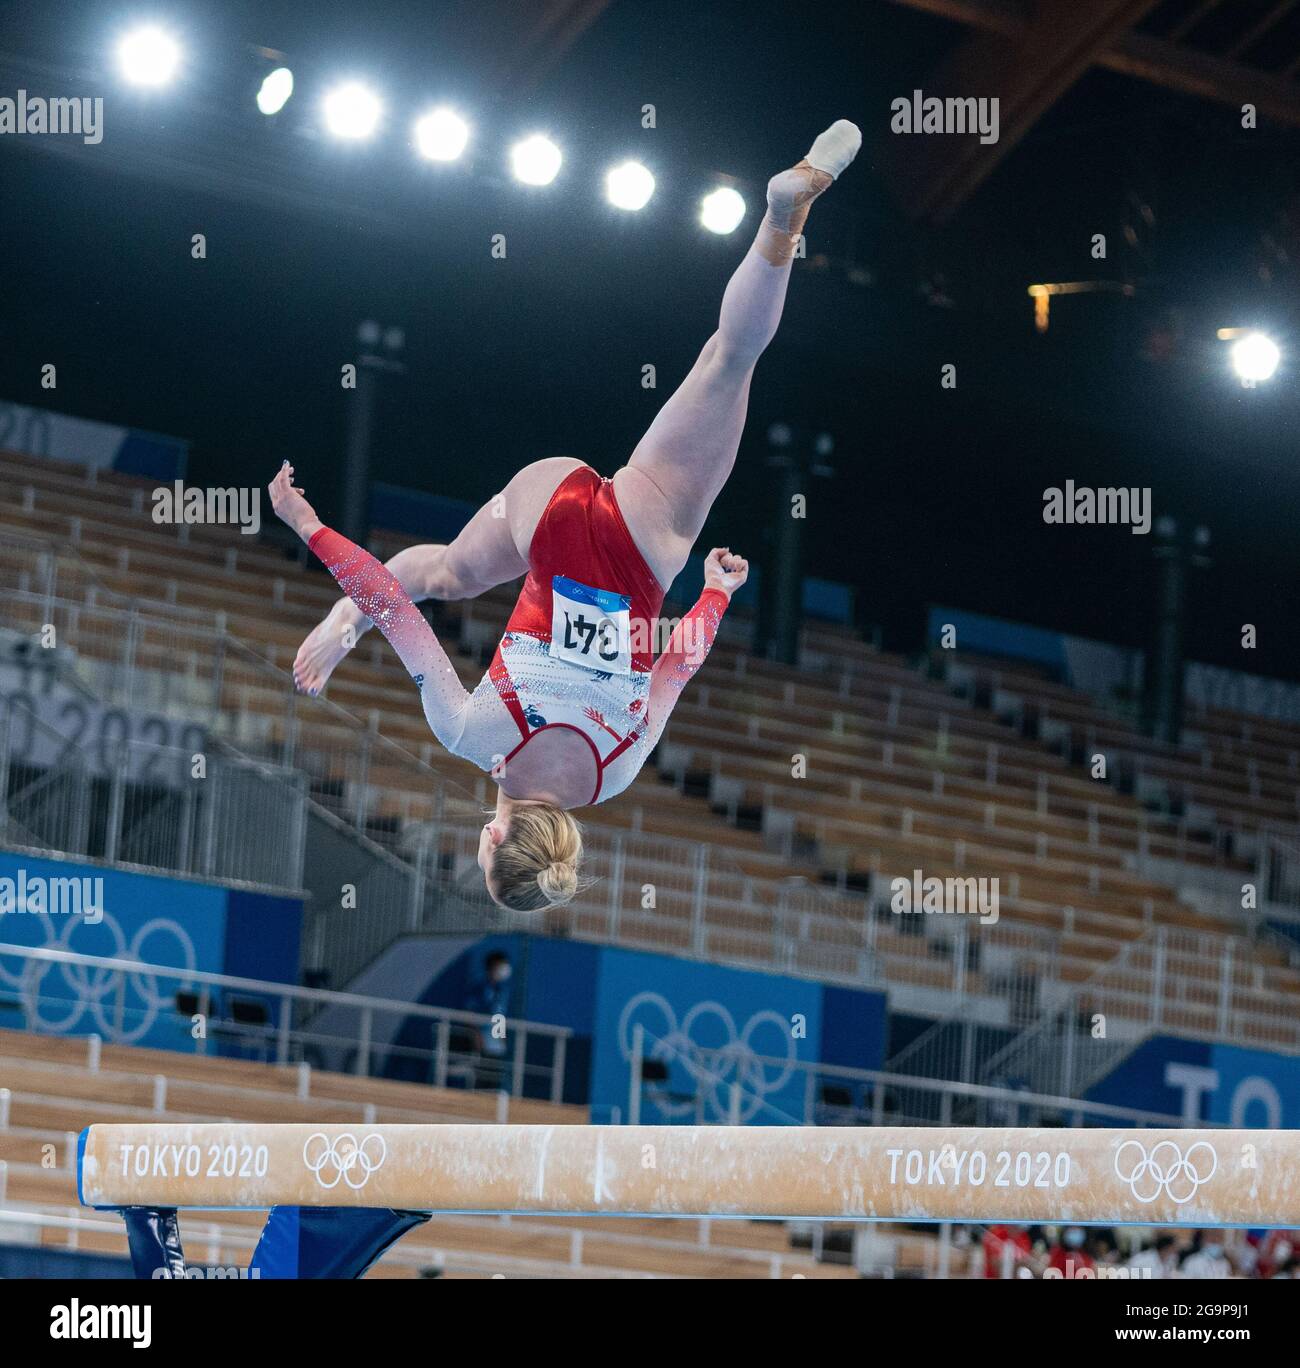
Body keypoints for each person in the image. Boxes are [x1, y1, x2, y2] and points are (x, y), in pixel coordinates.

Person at [269, 119, 862, 913]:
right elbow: (395, 606)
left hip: (648, 549)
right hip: (551, 512)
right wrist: (311, 535)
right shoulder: (470, 734)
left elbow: (677, 663)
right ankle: (336, 628)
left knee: (731, 357)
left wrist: (717, 591)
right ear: (490, 839)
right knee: (445, 573)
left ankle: (781, 220)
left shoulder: (613, 775)